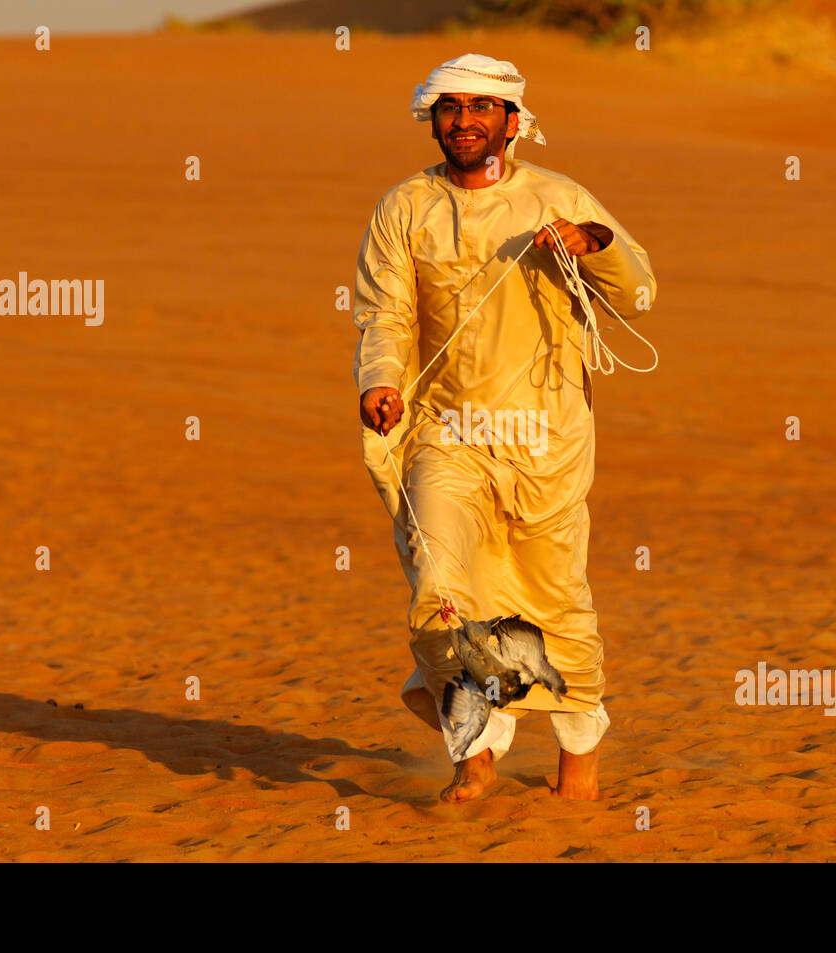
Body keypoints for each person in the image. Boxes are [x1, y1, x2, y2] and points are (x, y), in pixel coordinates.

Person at [352, 53, 656, 801]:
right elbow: (383, 312)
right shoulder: (404, 207)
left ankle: (577, 763)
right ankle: (475, 754)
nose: (463, 121)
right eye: (450, 108)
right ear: (434, 119)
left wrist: (595, 247)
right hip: (444, 435)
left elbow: (640, 291)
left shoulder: (558, 198)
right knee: (442, 590)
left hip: (546, 439)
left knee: (558, 600)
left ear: (513, 123)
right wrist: (381, 381)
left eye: (481, 109)